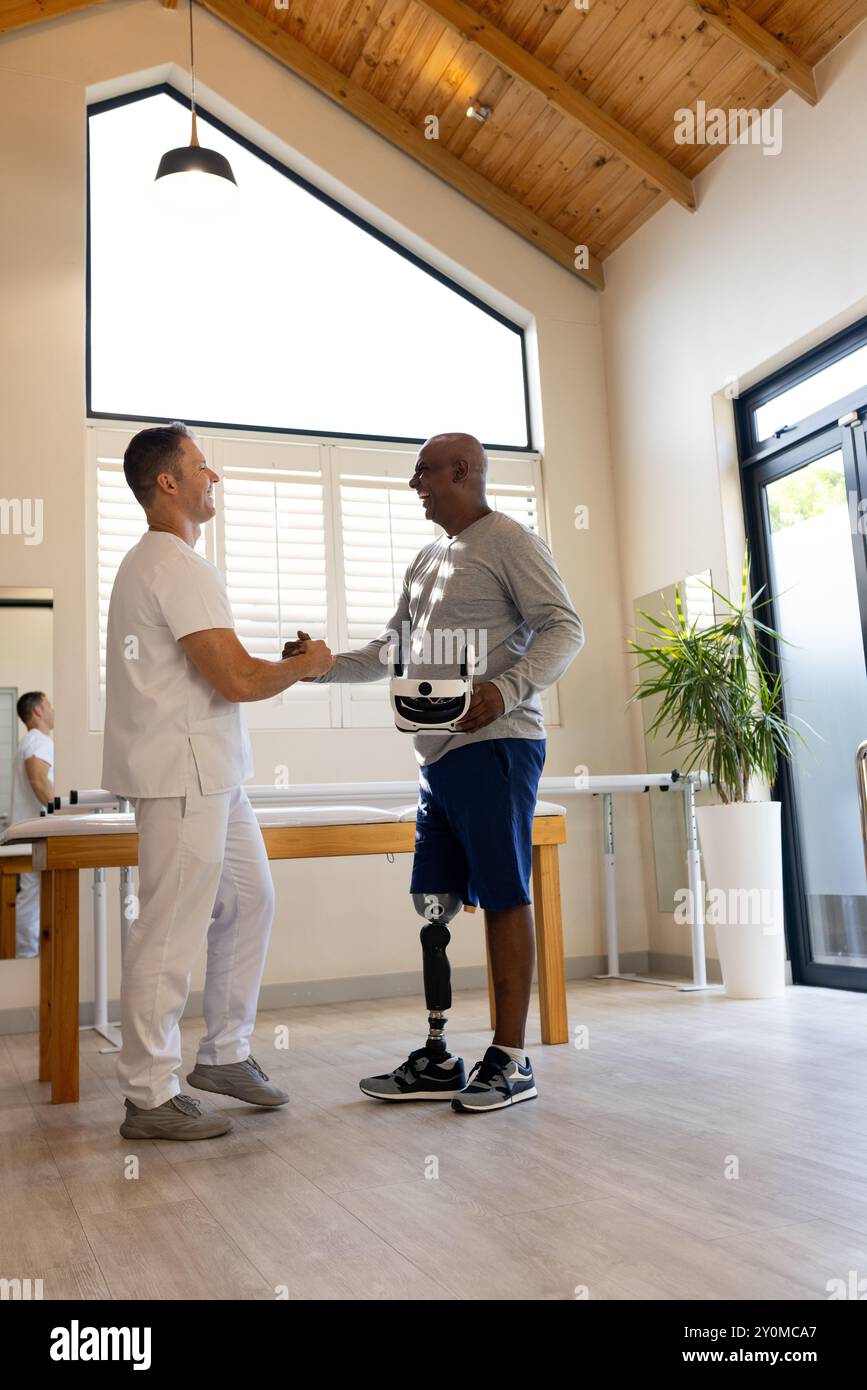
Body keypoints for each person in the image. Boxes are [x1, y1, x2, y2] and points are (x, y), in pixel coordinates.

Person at [284, 432, 583, 1113]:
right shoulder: (425, 561)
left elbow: (563, 627)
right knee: (435, 903)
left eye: (423, 471)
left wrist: (503, 691)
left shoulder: (509, 539)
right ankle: (439, 1057)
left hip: (497, 745)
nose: (413, 482)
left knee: (504, 896)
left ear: (463, 470)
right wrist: (318, 663)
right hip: (437, 755)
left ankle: (511, 1058)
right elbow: (388, 649)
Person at [102, 422, 332, 1141]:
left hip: (214, 772)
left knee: (250, 901)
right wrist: (305, 666)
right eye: (203, 466)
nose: (215, 477)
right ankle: (147, 1095)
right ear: (167, 482)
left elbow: (221, 668)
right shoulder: (171, 564)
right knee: (169, 930)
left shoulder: (169, 565)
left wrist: (285, 665)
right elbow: (233, 677)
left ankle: (224, 1054)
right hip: (182, 773)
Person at [10, 692, 54, 957]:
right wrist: (59, 814)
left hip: (31, 831)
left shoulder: (28, 741)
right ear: (38, 710)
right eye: (49, 704)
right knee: (31, 896)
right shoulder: (38, 740)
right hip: (37, 832)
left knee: (32, 895)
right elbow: (38, 780)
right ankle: (27, 956)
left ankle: (30, 953)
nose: (53, 709)